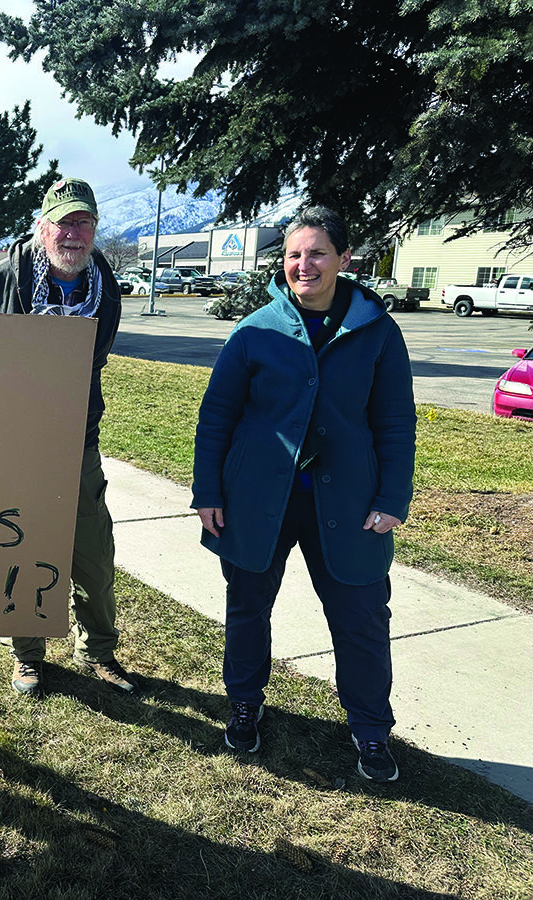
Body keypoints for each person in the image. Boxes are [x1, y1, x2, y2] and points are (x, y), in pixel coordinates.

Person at [191, 206, 416, 782]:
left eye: (317, 253)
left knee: (362, 617)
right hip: (257, 499)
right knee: (247, 609)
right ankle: (245, 702)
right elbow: (217, 414)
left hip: (347, 503)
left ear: (344, 259)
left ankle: (369, 728)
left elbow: (394, 419)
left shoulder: (377, 332)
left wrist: (393, 496)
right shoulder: (256, 330)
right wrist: (207, 490)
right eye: (294, 254)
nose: (304, 264)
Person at [0, 177, 138, 698]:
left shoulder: (104, 286)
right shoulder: (7, 278)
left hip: (77, 442)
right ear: (43, 227)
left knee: (93, 551)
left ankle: (99, 650)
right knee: (20, 546)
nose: (73, 234)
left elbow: (98, 358)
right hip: (13, 444)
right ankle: (27, 654)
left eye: (83, 223)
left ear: (94, 229)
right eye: (63, 222)